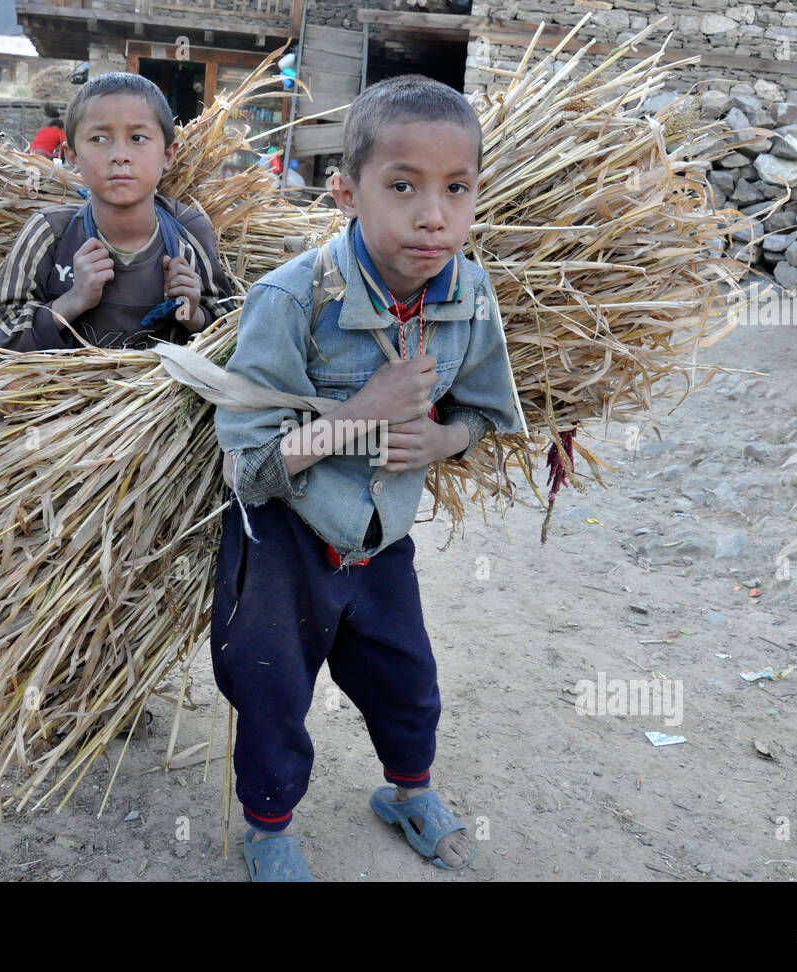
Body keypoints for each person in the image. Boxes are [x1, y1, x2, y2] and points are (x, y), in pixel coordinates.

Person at [212, 74, 526, 880]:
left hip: (381, 535)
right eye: (402, 187)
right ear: (346, 193)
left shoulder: (470, 294)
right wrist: (364, 410)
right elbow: (247, 469)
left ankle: (407, 792)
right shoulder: (291, 301)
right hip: (286, 536)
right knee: (273, 691)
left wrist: (439, 441)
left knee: (407, 679)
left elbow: (489, 415)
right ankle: (270, 830)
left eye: (457, 189)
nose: (433, 215)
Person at [0, 73, 231, 351]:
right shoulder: (50, 233)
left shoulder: (189, 231)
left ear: (168, 154)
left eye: (138, 137)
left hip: (160, 393)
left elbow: (226, 334)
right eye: (99, 138)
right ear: (72, 156)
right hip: (64, 392)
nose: (120, 155)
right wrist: (73, 300)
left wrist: (192, 314)